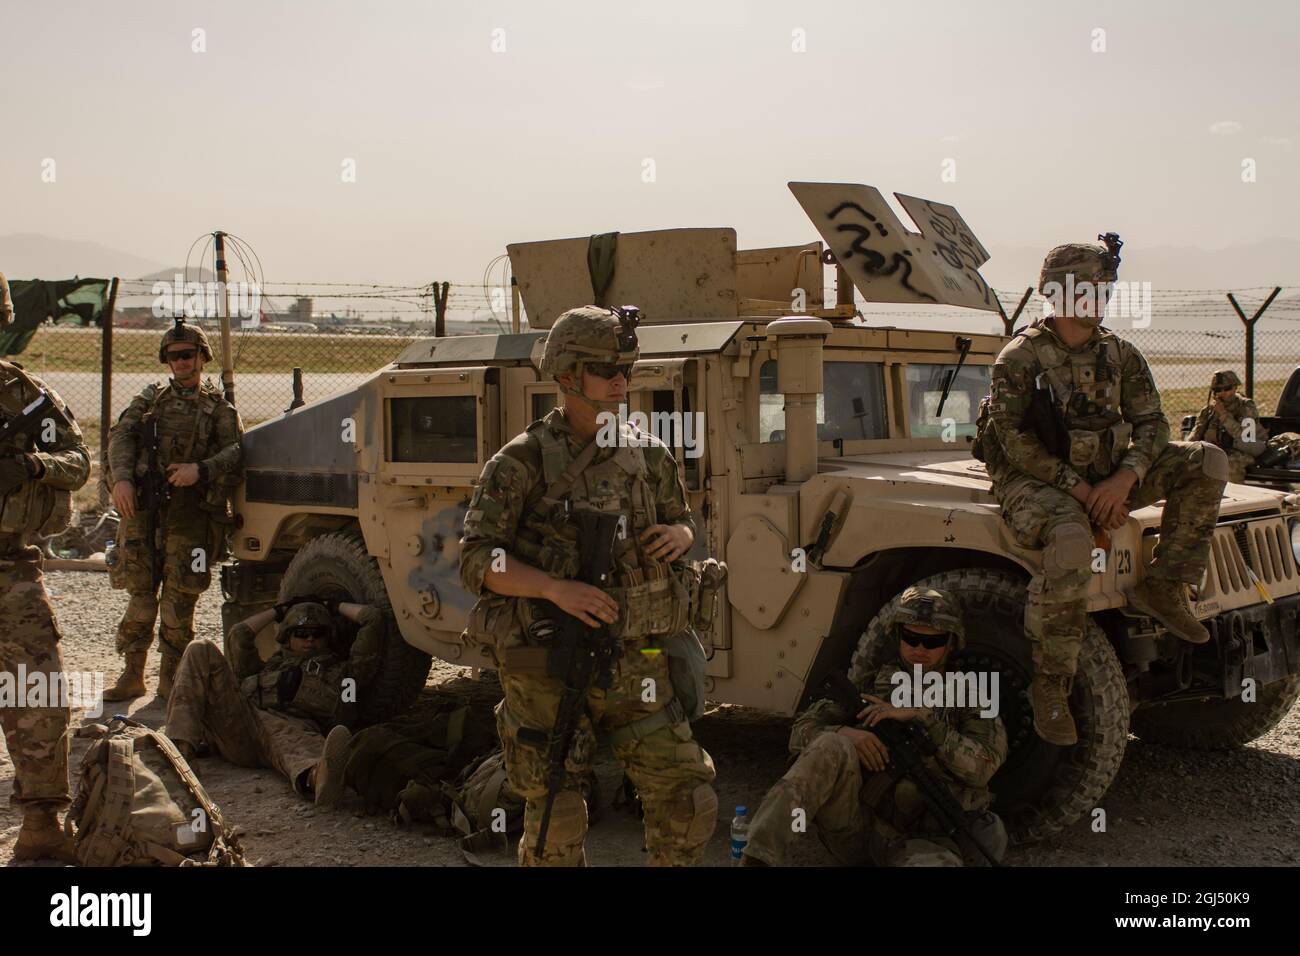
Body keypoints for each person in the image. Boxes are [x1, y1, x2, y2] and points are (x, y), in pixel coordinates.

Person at [459, 305, 718, 866]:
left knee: (687, 798)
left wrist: (679, 533)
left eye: (627, 367)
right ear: (569, 376)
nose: (622, 381)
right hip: (550, 660)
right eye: (607, 369)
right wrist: (554, 589)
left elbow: (687, 519)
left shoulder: (649, 454)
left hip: (640, 660)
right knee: (557, 812)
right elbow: (478, 560)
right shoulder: (520, 463)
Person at [981, 238, 1227, 745]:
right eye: (1094, 287)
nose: (1104, 297)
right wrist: (1081, 490)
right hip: (1038, 482)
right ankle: (1050, 688)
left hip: (1108, 477)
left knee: (1207, 460)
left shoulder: (1119, 353)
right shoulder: (1021, 358)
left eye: (1106, 287)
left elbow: (1153, 422)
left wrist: (1125, 479)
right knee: (1071, 543)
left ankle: (1164, 584)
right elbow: (1013, 441)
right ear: (1060, 292)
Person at [741, 587, 1007, 867]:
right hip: (861, 829)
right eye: (911, 638)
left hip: (929, 842)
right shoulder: (870, 686)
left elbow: (983, 768)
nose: (919, 650)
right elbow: (801, 730)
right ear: (897, 637)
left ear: (952, 642)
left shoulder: (972, 697)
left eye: (933, 641)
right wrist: (845, 734)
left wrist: (923, 718)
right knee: (830, 745)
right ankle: (758, 859)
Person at [0, 270, 90, 861]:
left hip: (10, 570)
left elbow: (78, 463)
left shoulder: (21, 396)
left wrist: (34, 467)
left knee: (36, 689)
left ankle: (40, 823)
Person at [104, 318, 243, 701]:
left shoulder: (218, 409)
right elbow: (121, 437)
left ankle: (172, 679)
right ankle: (132, 674)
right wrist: (121, 479)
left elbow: (235, 453)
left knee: (180, 597)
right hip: (144, 509)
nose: (181, 362)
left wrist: (199, 470)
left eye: (187, 355)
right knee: (140, 593)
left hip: (191, 513)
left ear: (202, 357)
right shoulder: (151, 399)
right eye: (173, 356)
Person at [163, 598, 384, 807]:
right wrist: (279, 610)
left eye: (318, 633)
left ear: (329, 637)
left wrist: (334, 605)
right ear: (287, 637)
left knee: (284, 732)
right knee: (199, 647)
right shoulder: (271, 667)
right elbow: (239, 635)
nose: (310, 639)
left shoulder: (342, 672)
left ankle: (318, 778)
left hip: (295, 729)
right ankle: (180, 753)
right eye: (301, 633)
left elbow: (373, 618)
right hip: (241, 729)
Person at [1189, 370, 1300, 481]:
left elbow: (1245, 437)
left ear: (1235, 387)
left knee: (1228, 464)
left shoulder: (1246, 407)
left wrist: (1223, 414)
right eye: (1218, 390)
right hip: (1216, 450)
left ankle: (1236, 495)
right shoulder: (1208, 411)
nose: (1223, 393)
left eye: (1227, 388)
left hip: (1243, 451)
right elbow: (1195, 433)